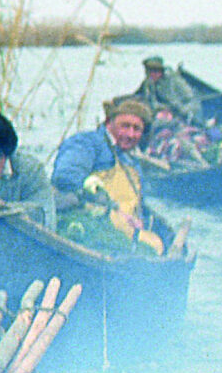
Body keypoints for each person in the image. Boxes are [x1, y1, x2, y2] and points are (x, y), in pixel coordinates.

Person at [51, 96, 181, 254]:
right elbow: (65, 176)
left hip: (128, 230)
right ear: (108, 123)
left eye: (136, 129)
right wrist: (105, 203)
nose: (130, 134)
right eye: (125, 126)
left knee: (159, 244)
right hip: (93, 225)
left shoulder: (132, 163)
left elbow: (138, 207)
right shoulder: (89, 143)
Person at [133, 55, 198, 121]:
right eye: (149, 71)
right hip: (157, 112)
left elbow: (193, 101)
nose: (152, 74)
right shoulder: (148, 82)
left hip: (177, 113)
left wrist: (180, 112)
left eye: (156, 71)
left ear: (161, 71)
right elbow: (138, 95)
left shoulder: (174, 81)